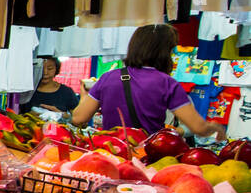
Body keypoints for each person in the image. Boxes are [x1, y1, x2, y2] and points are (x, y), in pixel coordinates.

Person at [71, 24, 225, 137]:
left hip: (110, 153)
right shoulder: (167, 83)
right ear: (166, 52)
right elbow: (197, 127)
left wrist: (84, 96)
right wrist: (214, 129)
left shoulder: (108, 77)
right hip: (145, 157)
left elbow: (78, 118)